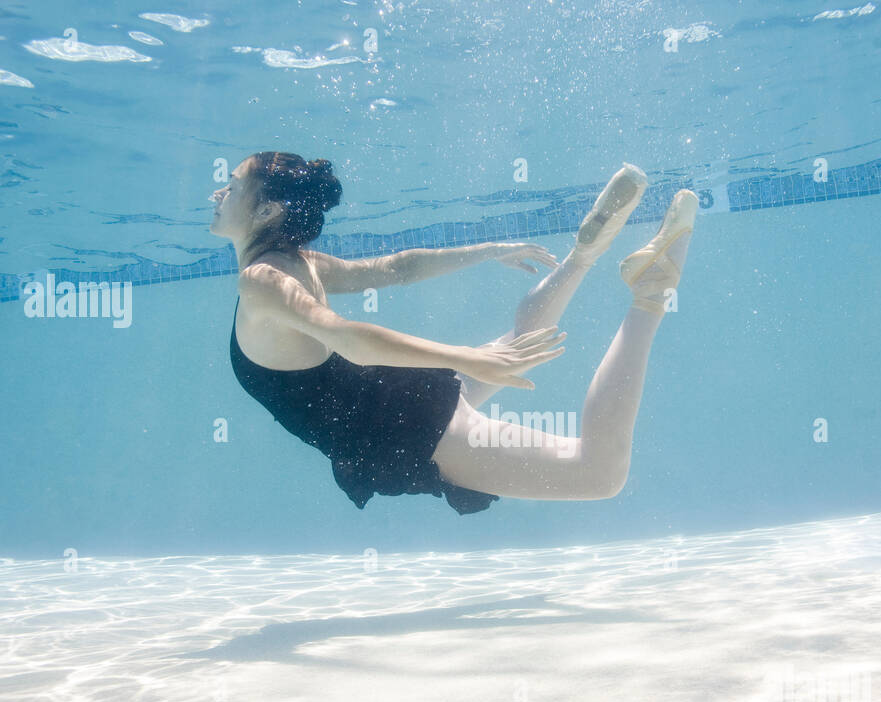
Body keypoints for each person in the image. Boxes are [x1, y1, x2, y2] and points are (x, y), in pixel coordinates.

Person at [212, 151, 696, 514]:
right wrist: (488, 250)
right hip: (398, 397)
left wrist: (466, 358)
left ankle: (650, 294)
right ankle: (584, 255)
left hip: (406, 428)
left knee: (599, 472)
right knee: (521, 337)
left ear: (266, 212)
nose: (219, 194)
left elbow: (349, 337)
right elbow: (394, 269)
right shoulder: (295, 266)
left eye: (231, 187)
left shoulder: (263, 281)